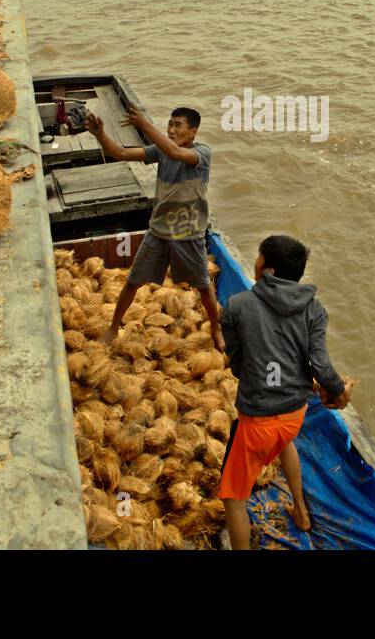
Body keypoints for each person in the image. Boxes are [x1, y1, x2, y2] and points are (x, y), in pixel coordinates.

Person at [218, 234, 353, 550]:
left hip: (256, 424)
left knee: (233, 499)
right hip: (294, 414)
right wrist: (339, 392)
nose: (255, 262)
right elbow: (320, 363)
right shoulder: (314, 309)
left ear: (267, 270)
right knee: (285, 442)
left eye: (259, 258)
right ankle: (302, 514)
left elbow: (237, 365)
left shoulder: (237, 306)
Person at [84, 104, 223, 350]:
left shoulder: (201, 154)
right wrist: (100, 134)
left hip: (188, 234)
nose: (171, 130)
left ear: (193, 132)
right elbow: (120, 153)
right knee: (133, 282)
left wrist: (145, 125)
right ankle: (113, 327)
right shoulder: (160, 151)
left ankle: (215, 328)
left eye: (177, 125)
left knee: (203, 286)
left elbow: (177, 153)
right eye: (169, 124)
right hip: (158, 231)